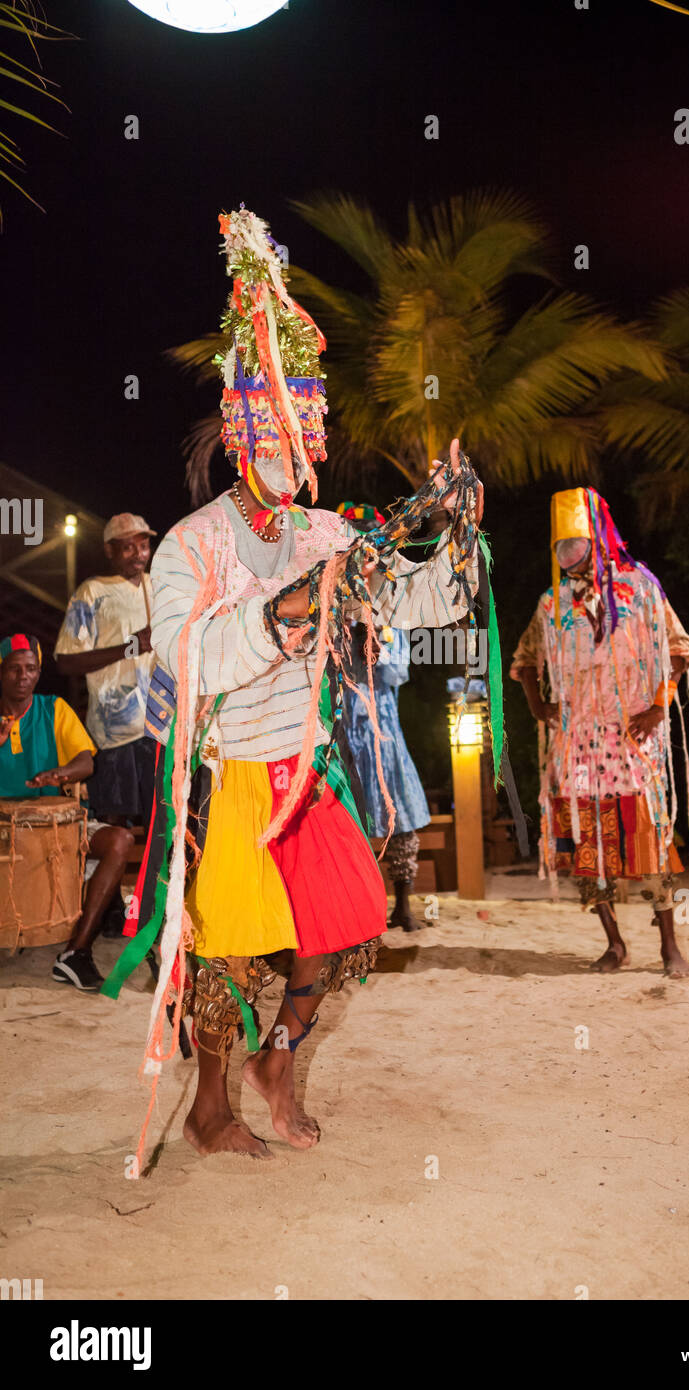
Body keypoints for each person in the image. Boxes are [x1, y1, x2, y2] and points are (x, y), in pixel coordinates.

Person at [108, 208, 483, 1162]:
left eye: (306, 428)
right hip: (228, 771)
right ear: (241, 437)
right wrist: (274, 620)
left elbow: (415, 600)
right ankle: (208, 1106)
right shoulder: (190, 544)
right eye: (277, 432)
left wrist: (461, 540)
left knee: (343, 926)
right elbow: (178, 662)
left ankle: (278, 1060)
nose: (297, 449)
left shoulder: (327, 535)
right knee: (225, 952)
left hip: (306, 770)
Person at [511, 488, 689, 978]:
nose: (568, 553)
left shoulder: (639, 587)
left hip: (631, 739)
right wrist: (540, 705)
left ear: (597, 538)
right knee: (587, 847)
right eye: (561, 544)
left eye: (577, 542)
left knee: (647, 838)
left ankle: (670, 946)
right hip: (574, 745)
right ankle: (615, 944)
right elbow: (524, 661)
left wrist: (657, 704)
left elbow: (680, 647)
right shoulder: (552, 603)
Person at [0, 633, 134, 990]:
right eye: (14, 669)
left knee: (119, 840)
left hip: (58, 826)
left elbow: (85, 760)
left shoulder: (53, 709)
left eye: (30, 669)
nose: (22, 677)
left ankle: (76, 953)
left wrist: (60, 773)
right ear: (1, 672)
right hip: (2, 830)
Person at [338, 501, 432, 932]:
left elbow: (398, 671)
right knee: (345, 818)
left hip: (381, 725)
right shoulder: (328, 596)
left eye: (368, 537)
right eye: (353, 534)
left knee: (399, 814)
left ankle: (405, 904)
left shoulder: (394, 603)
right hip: (338, 723)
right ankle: (356, 906)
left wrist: (371, 649)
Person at [54, 512, 158, 828]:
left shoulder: (158, 585)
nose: (138, 554)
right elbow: (66, 661)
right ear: (109, 551)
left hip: (159, 725)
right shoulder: (93, 592)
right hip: (114, 732)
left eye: (143, 546)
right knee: (116, 824)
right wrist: (131, 646)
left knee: (162, 822)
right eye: (127, 548)